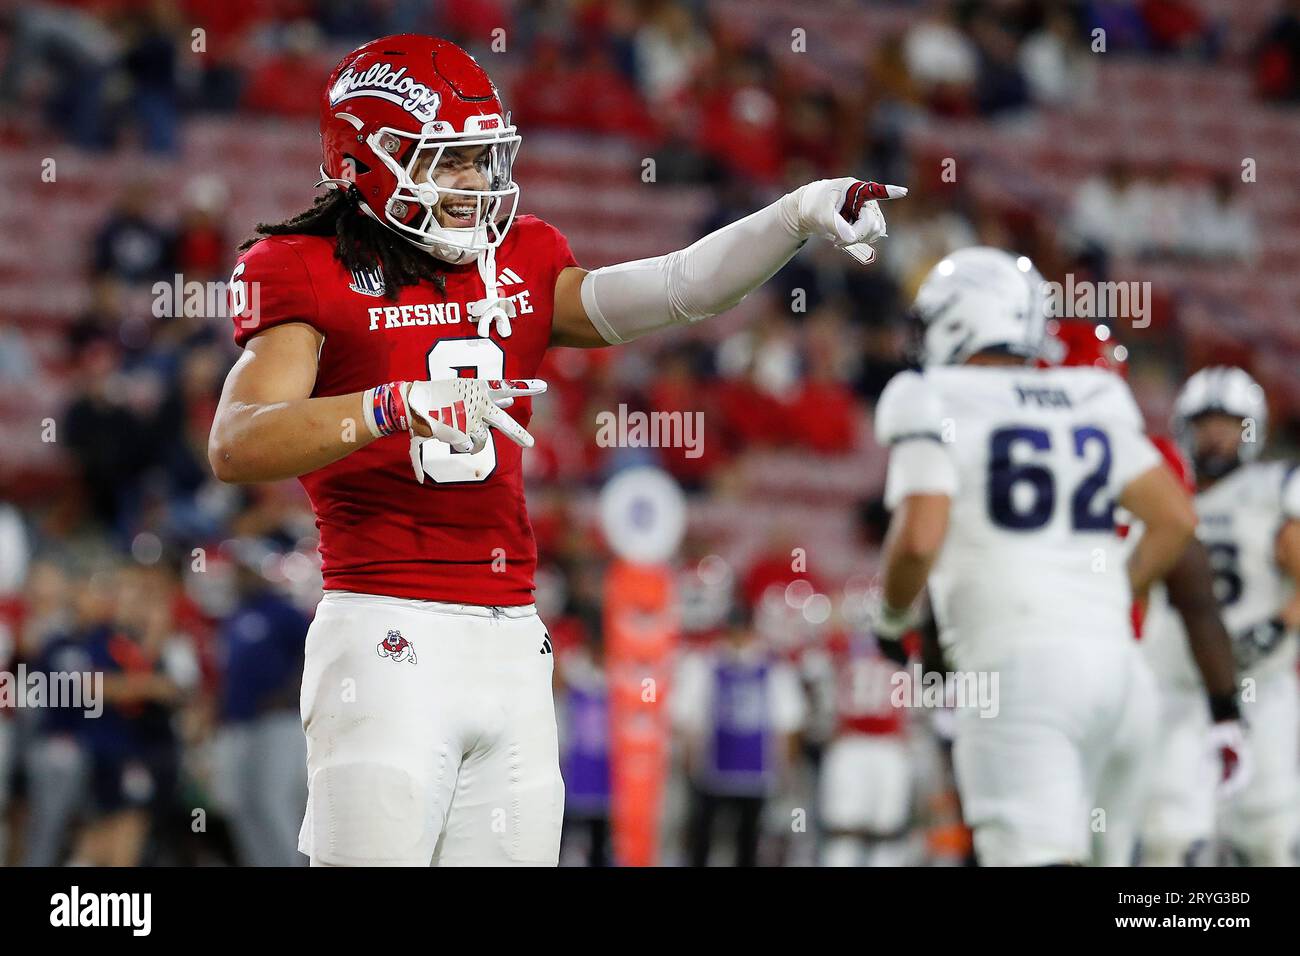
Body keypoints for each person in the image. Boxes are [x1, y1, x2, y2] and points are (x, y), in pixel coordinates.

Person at [206, 33, 904, 867]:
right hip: (386, 632)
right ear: (370, 159)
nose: (474, 185)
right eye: (448, 162)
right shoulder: (306, 267)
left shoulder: (521, 256)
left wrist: (794, 214)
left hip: (513, 643)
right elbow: (238, 440)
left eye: (480, 160)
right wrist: (391, 405)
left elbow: (679, 287)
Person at [873, 247, 1196, 866]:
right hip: (1121, 679)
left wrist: (891, 620)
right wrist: (1103, 596)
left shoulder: (929, 394)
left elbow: (918, 539)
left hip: (1017, 677)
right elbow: (1175, 518)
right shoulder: (1091, 394)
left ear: (957, 321)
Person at [1142, 367, 1300, 866]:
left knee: (1269, 837)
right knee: (1168, 837)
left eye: (1229, 422)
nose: (1216, 433)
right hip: (1177, 688)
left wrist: (1279, 624)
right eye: (1206, 421)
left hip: (1261, 684)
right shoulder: (1160, 488)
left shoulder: (1276, 487)